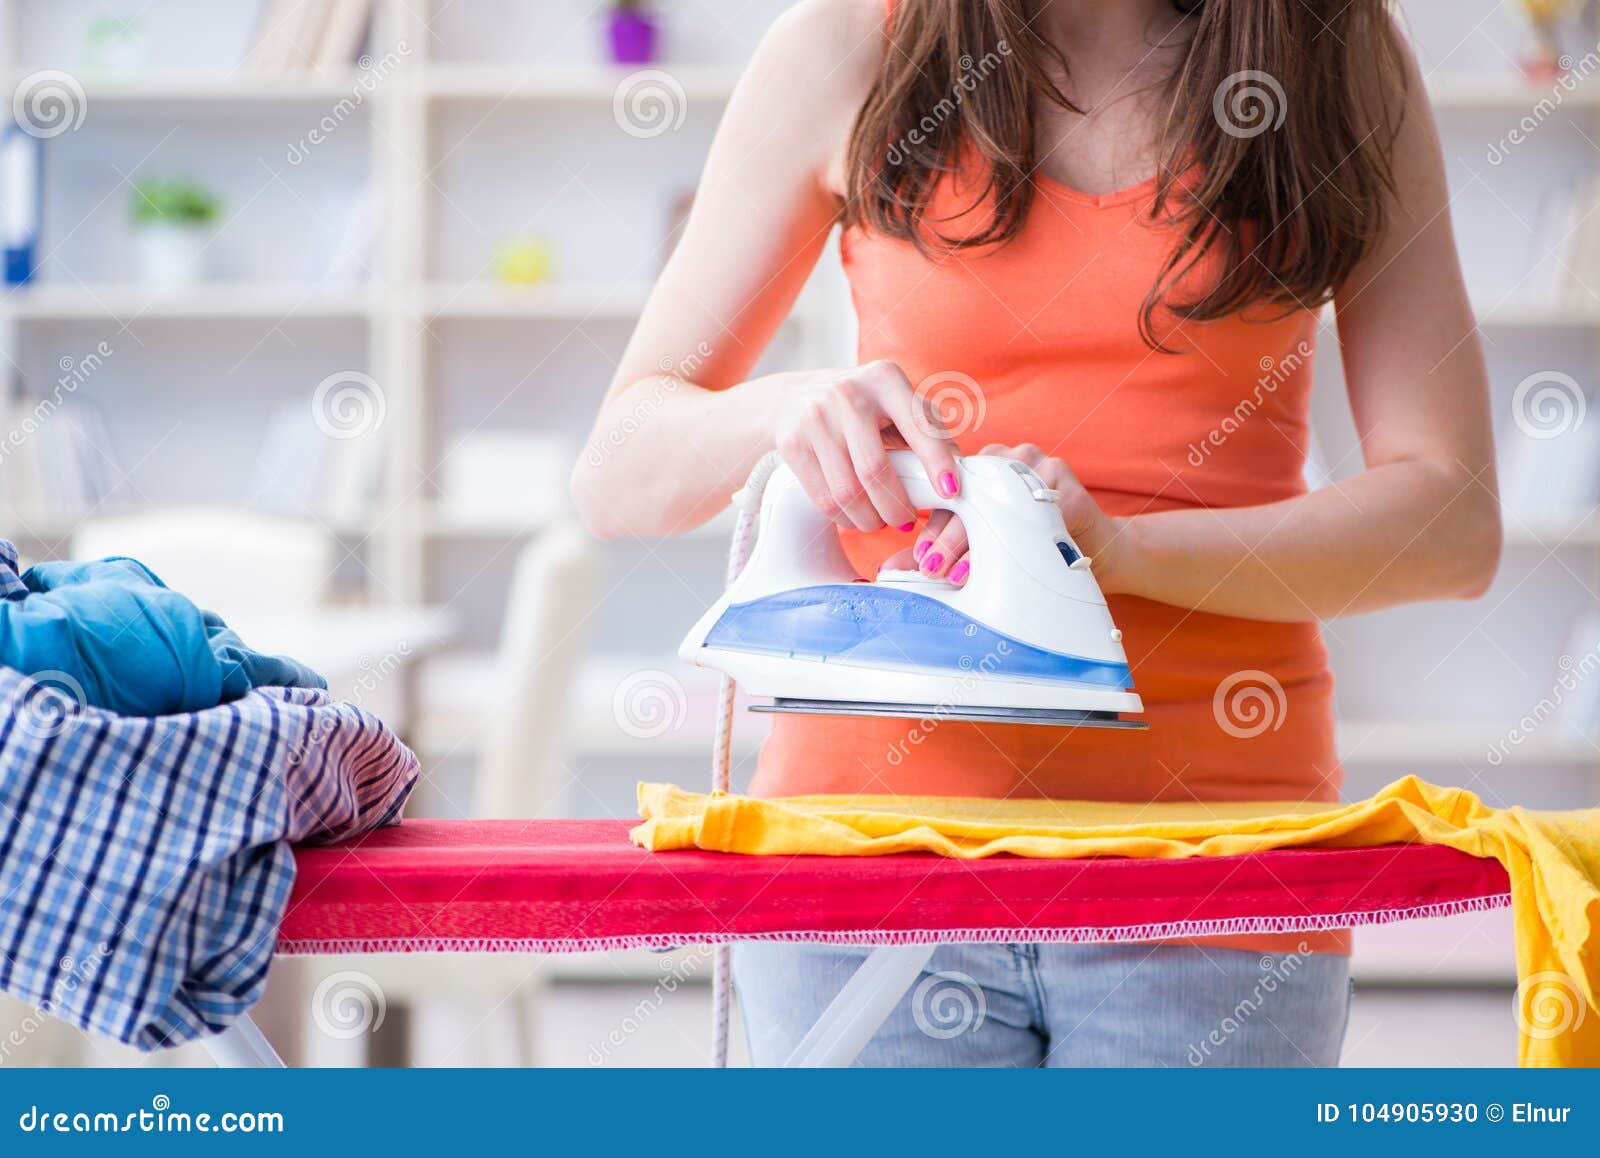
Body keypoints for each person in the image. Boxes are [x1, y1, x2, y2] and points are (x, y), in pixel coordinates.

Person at [572, 0, 1499, 1066]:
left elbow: (1448, 517)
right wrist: (785, 408)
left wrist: (1127, 555)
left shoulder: (1332, 53)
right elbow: (616, 475)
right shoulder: (847, 48)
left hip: (1214, 859)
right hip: (867, 863)